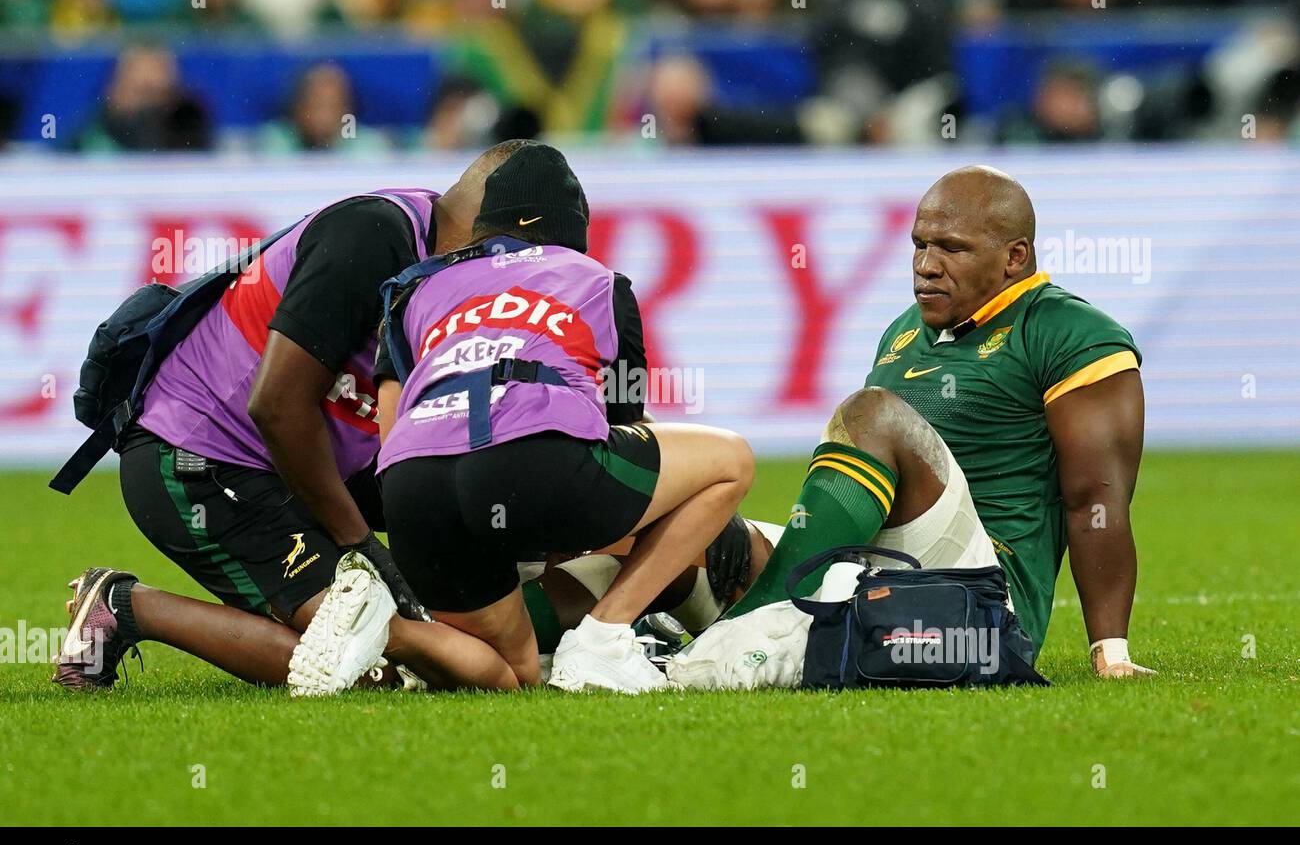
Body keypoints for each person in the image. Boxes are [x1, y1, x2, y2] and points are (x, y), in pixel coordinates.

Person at [53, 142, 535, 692]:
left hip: (291, 461)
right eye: (525, 256)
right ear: (490, 229)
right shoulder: (373, 234)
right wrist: (362, 547)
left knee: (463, 533)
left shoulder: (437, 253)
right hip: (198, 462)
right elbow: (275, 405)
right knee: (368, 667)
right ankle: (126, 605)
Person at [670, 165, 1151, 688]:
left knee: (872, 413)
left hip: (983, 594)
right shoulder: (905, 329)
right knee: (699, 535)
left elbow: (1094, 503)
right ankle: (606, 642)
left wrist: (1111, 652)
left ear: (1015, 257)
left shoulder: (1073, 334)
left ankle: (744, 630)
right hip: (880, 568)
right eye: (919, 245)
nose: (926, 266)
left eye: (952, 248)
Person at [313, 142, 755, 694]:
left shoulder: (412, 290)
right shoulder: (599, 281)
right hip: (530, 464)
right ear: (573, 228)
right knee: (730, 459)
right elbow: (624, 428)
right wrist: (700, 520)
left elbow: (391, 427)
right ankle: (605, 638)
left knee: (513, 672)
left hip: (411, 486)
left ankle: (388, 629)